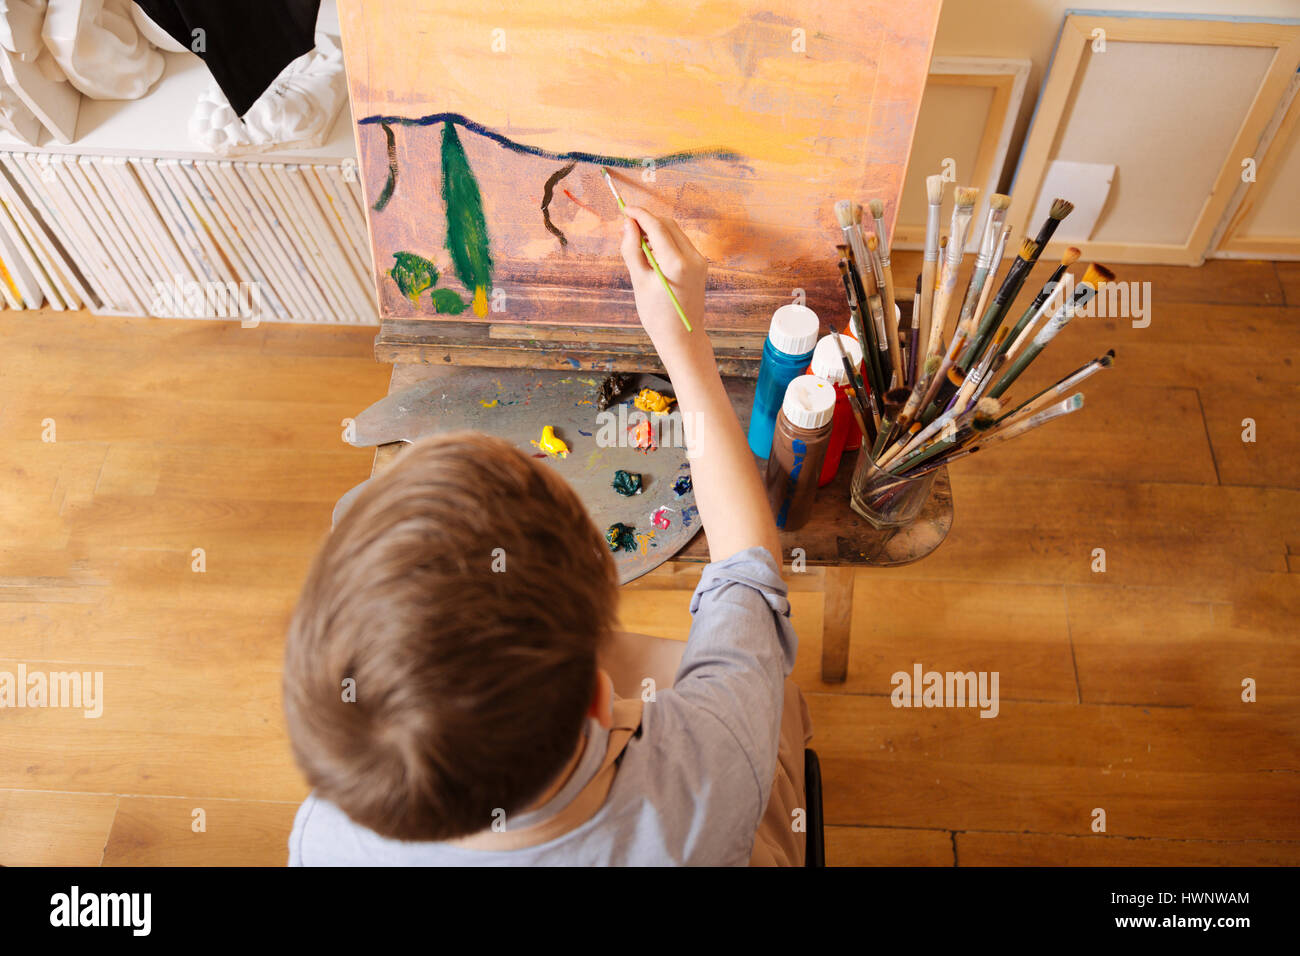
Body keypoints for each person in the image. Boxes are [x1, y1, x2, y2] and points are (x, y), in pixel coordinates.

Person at [284, 206, 812, 865]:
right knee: (776, 699)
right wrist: (685, 343)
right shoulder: (703, 778)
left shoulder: (323, 840)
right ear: (605, 701)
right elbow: (748, 574)